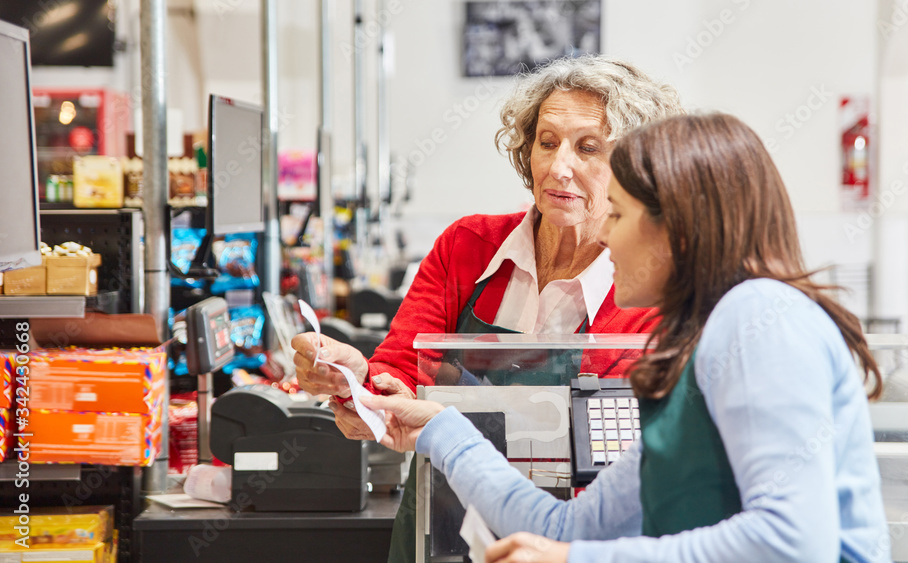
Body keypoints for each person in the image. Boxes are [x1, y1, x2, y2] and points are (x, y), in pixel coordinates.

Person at [363, 113, 892, 562]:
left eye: (617, 214)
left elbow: (793, 542)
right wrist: (441, 430)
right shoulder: (698, 348)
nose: (605, 234)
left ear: (677, 229)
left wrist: (578, 561)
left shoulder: (760, 316)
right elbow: (565, 527)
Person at [290, 55, 685, 562]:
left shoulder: (648, 293)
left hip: (565, 540)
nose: (558, 165)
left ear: (634, 169)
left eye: (588, 148)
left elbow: (626, 466)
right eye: (546, 142)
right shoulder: (468, 247)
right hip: (440, 523)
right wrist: (355, 381)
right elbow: (399, 374)